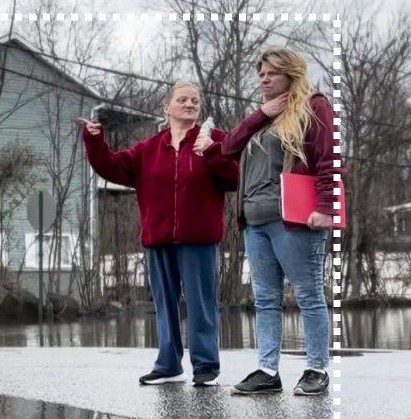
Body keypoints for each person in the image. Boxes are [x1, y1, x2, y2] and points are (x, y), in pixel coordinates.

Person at [82, 83, 240, 387]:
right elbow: (110, 166)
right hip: (158, 239)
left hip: (199, 239)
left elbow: (233, 177)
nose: (190, 104)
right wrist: (95, 141)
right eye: (182, 100)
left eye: (195, 100)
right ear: (166, 108)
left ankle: (206, 365)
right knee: (165, 304)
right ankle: (168, 364)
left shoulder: (213, 140)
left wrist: (211, 152)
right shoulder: (149, 148)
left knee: (201, 303)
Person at [218, 48, 345, 397]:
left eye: (272, 73)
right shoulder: (263, 117)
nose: (264, 78)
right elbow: (228, 148)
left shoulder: (314, 107)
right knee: (265, 299)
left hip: (294, 220)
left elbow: (330, 161)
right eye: (261, 74)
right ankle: (267, 370)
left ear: (291, 74)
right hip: (255, 223)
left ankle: (316, 368)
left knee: (307, 295)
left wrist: (325, 207)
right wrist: (260, 114)